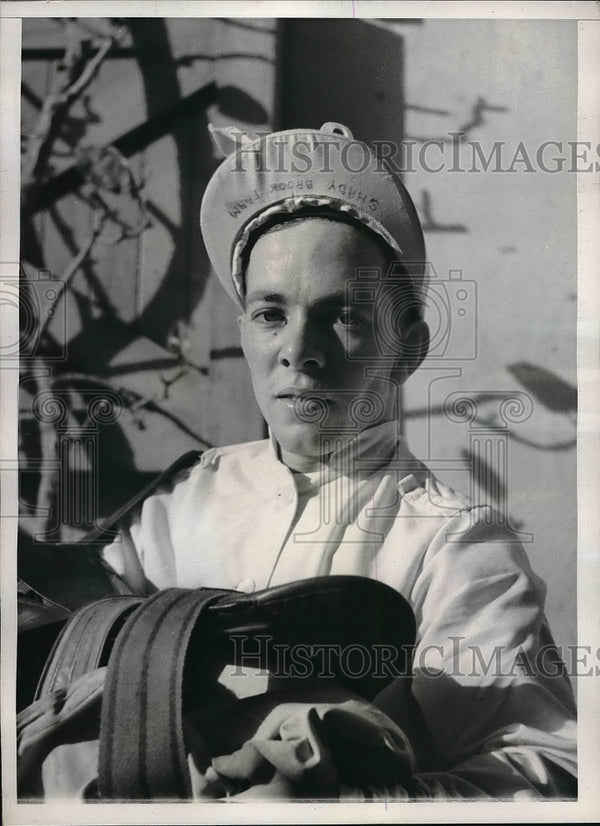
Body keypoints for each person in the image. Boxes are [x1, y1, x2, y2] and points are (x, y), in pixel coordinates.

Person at [100, 123, 577, 800]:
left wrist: (362, 802)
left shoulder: (455, 546)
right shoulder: (168, 510)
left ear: (407, 350)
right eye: (271, 315)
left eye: (342, 315)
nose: (299, 351)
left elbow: (548, 773)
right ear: (244, 334)